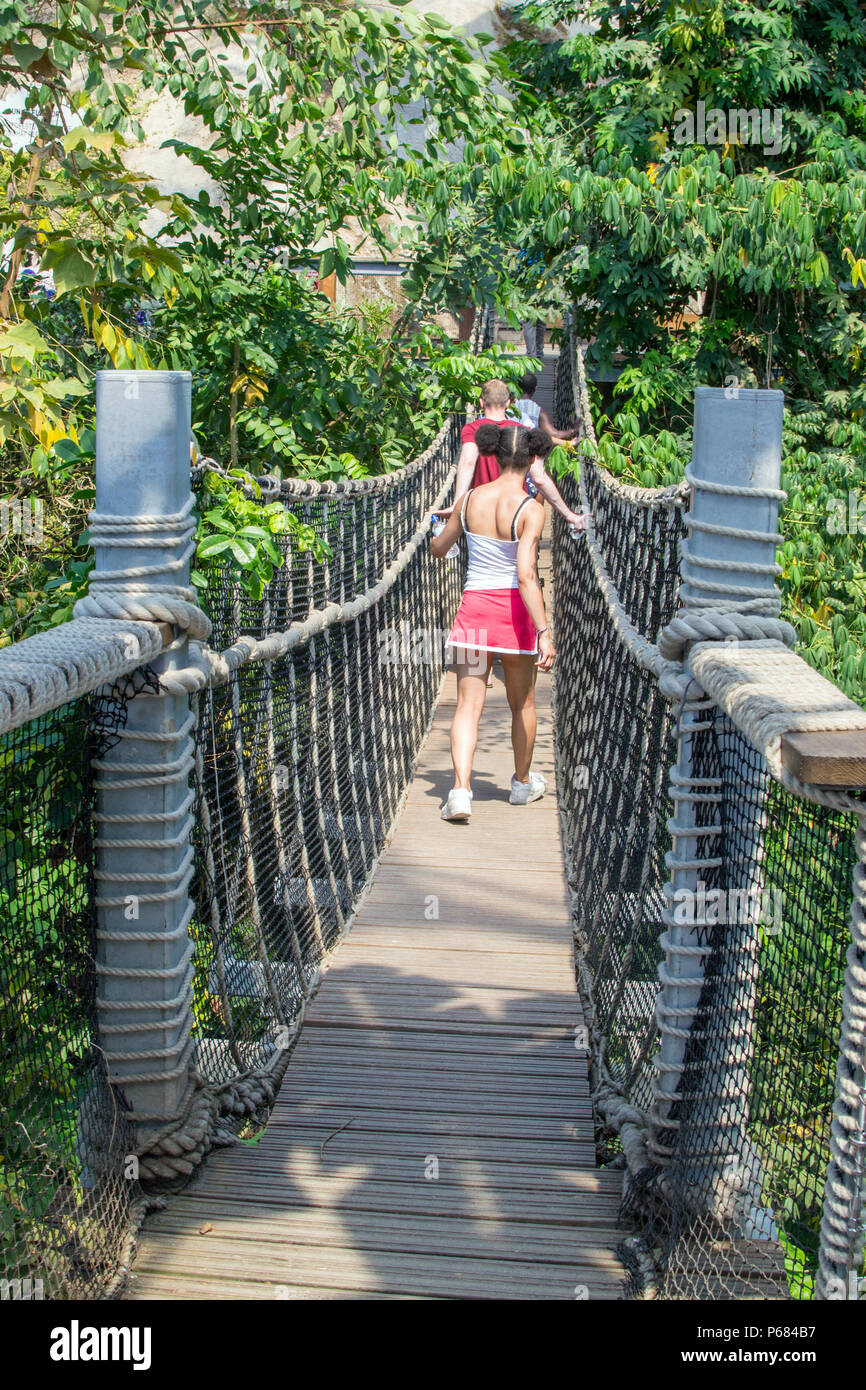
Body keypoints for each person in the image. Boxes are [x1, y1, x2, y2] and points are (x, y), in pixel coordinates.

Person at [430, 425, 556, 822]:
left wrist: (436, 526)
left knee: (467, 705)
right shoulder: (530, 509)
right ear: (533, 459)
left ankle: (461, 792)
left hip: (474, 610)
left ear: (494, 457)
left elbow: (439, 549)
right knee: (523, 703)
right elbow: (526, 576)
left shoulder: (468, 500)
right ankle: (520, 784)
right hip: (514, 615)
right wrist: (544, 630)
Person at [444, 378, 585, 534]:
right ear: (508, 403)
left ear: (482, 403)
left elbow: (468, 461)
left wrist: (457, 505)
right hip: (515, 511)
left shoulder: (473, 429)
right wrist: (569, 515)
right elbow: (539, 478)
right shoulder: (521, 432)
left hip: (480, 511)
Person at [513, 372, 580, 442]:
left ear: (517, 387)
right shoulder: (538, 411)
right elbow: (554, 435)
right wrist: (573, 430)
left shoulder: (509, 404)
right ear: (535, 389)